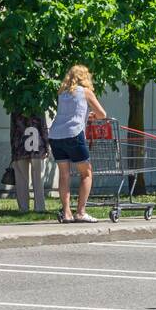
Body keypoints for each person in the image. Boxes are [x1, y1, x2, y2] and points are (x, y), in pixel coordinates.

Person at [47, 65, 107, 223]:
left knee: (64, 175)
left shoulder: (62, 93)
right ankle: (80, 212)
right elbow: (102, 114)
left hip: (55, 135)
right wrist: (93, 116)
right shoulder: (86, 92)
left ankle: (66, 213)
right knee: (86, 173)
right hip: (73, 134)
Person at [9, 108, 49, 212]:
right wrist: (47, 146)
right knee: (38, 179)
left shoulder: (15, 106)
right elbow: (43, 128)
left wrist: (13, 150)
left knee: (21, 179)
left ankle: (23, 208)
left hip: (20, 146)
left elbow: (13, 131)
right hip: (37, 147)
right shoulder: (39, 106)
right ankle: (39, 208)